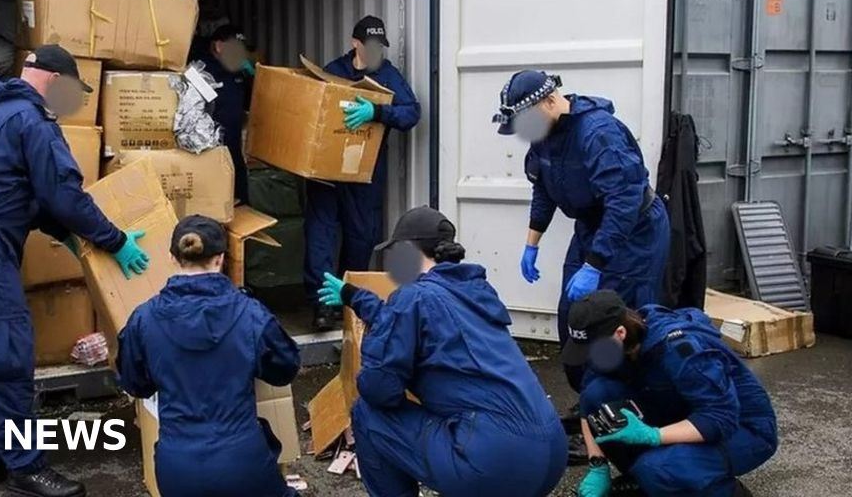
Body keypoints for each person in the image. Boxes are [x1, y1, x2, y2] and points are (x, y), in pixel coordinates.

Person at [0, 45, 149, 497]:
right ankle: (26, 468)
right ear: (55, 81)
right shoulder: (33, 121)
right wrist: (115, 240)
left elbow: (18, 191)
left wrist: (66, 234)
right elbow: (63, 195)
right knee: (2, 350)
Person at [318, 206, 567, 497]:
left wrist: (381, 350)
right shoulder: (475, 291)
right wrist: (354, 296)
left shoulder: (413, 298)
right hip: (550, 454)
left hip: (494, 462)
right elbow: (414, 318)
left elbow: (379, 389)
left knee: (367, 413)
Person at [495, 71, 669, 389]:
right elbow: (543, 189)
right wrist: (532, 243)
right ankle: (590, 395)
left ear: (550, 101)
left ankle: (629, 398)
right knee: (574, 314)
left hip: (634, 230)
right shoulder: (543, 135)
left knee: (618, 318)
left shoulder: (599, 133)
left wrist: (595, 264)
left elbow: (623, 201)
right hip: (590, 226)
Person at [117, 215, 302, 497]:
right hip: (243, 462)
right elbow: (285, 369)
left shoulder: (144, 319)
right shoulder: (250, 313)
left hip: (178, 468)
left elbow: (136, 384)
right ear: (220, 259)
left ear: (172, 258)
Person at [564, 291, 777, 497]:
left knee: (659, 469)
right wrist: (598, 466)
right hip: (684, 411)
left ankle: (719, 489)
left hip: (744, 429)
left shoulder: (678, 349)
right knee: (597, 393)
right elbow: (589, 404)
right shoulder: (610, 346)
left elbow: (720, 418)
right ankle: (646, 480)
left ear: (620, 333)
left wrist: (653, 435)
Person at [306, 15, 421, 330]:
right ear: (355, 43)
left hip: (363, 173)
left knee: (361, 238)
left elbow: (412, 112)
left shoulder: (387, 76)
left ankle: (348, 300)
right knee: (321, 237)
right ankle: (322, 305)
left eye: (379, 46)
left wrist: (378, 112)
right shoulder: (334, 71)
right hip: (326, 172)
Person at [195, 24, 256, 204]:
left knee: (241, 201)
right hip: (208, 152)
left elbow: (251, 105)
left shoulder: (239, 73)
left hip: (234, 151)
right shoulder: (200, 72)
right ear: (219, 46)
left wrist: (253, 78)